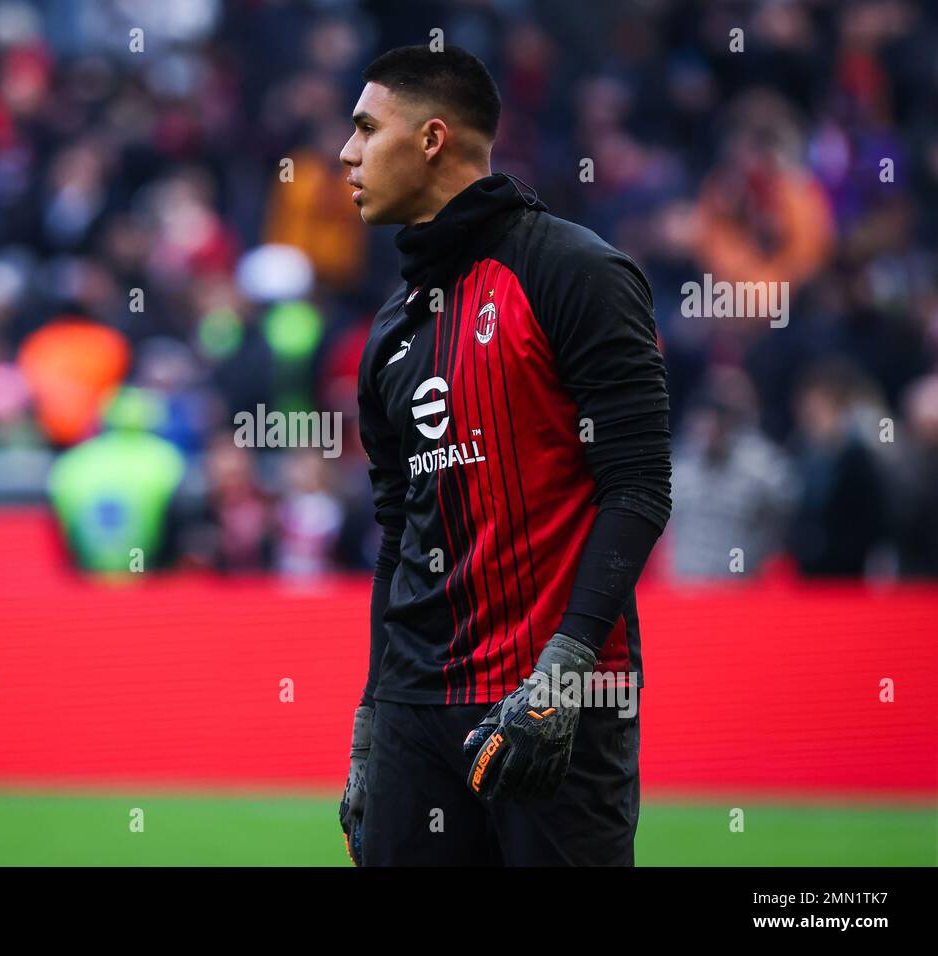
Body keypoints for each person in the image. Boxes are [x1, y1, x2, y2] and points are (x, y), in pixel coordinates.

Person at [337, 45, 672, 865]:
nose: (345, 152)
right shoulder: (388, 333)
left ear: (432, 139)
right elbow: (398, 535)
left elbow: (638, 486)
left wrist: (562, 672)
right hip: (418, 706)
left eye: (366, 127)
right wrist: (372, 720)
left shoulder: (576, 270)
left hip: (558, 699)